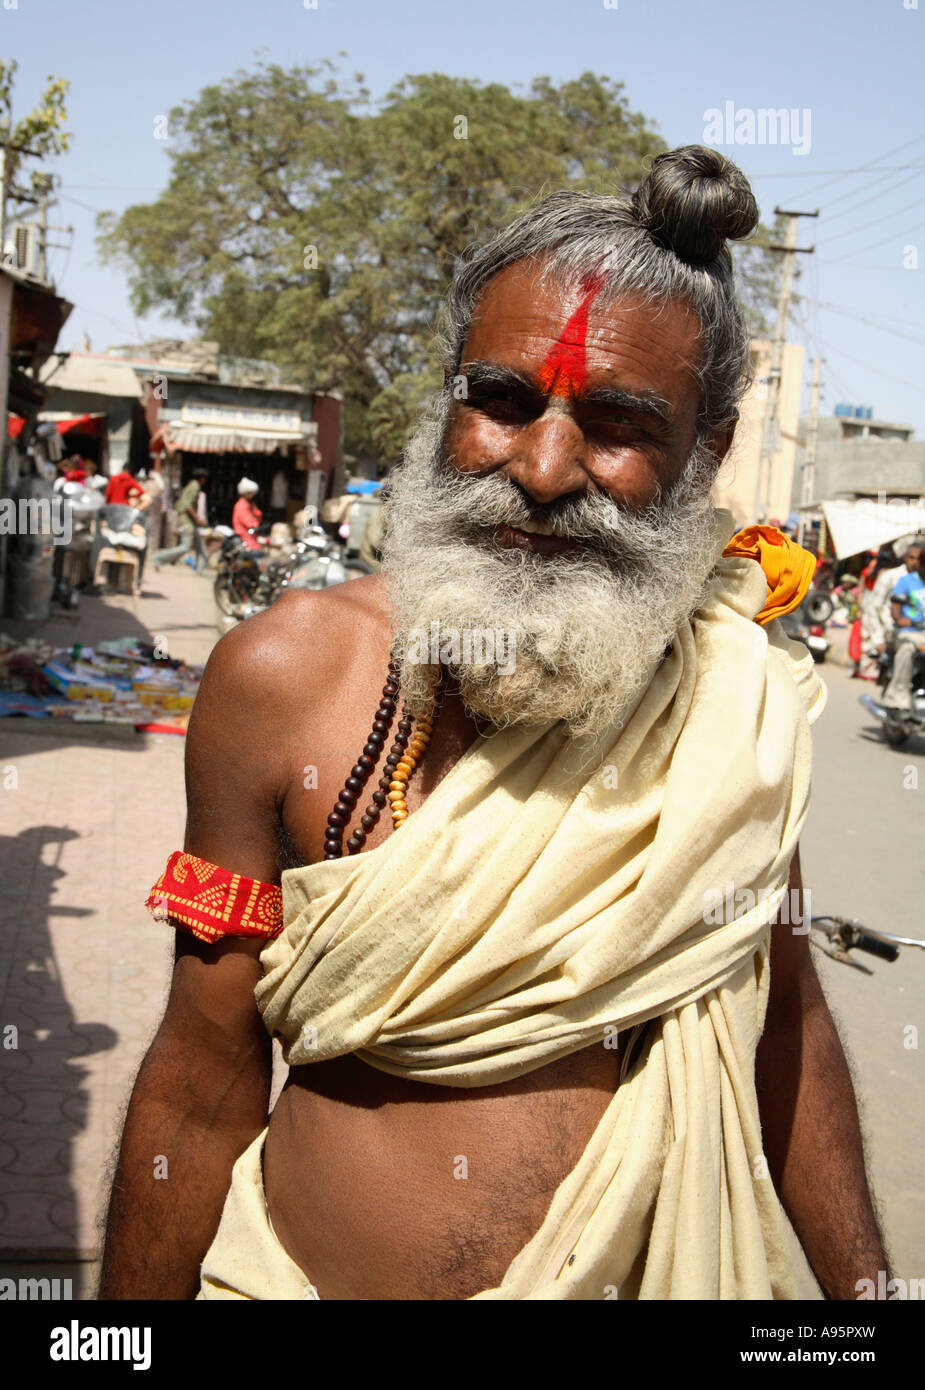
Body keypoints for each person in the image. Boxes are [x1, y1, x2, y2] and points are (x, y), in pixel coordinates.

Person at [101, 146, 887, 1302]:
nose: (542, 464)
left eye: (616, 422)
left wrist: (866, 1299)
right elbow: (201, 1070)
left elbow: (786, 1028)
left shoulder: (732, 702)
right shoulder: (285, 673)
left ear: (706, 453)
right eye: (504, 400)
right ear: (452, 398)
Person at [881, 541, 925, 713]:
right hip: (909, 632)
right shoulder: (906, 581)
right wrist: (902, 619)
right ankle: (897, 696)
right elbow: (895, 609)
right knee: (907, 647)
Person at [152, 467, 210, 571]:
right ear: (202, 478)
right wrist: (198, 519)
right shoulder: (195, 486)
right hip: (188, 521)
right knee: (185, 547)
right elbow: (188, 505)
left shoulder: (192, 485)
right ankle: (159, 557)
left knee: (200, 546)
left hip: (190, 521)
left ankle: (201, 569)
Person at [232, 478, 263, 550]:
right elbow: (251, 524)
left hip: (250, 539)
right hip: (245, 541)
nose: (252, 495)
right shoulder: (242, 505)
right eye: (250, 493)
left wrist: (256, 511)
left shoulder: (247, 504)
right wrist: (256, 512)